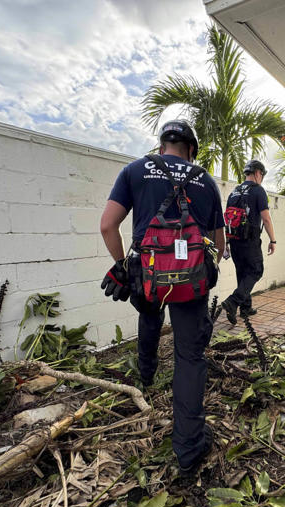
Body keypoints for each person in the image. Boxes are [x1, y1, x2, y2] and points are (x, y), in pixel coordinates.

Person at [99, 119, 225, 475]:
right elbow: (219, 242)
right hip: (191, 281)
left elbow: (108, 225)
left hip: (148, 273)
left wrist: (123, 265)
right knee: (189, 357)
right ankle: (188, 451)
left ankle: (147, 376)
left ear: (161, 147)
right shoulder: (205, 180)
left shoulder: (135, 170)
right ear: (191, 150)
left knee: (150, 318)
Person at [221, 159, 276, 324]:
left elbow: (229, 219)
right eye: (262, 175)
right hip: (250, 240)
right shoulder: (258, 191)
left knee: (242, 273)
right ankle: (233, 302)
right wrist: (273, 240)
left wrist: (227, 243)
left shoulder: (234, 192)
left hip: (235, 241)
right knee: (256, 271)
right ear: (258, 173)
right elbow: (265, 218)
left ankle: (245, 308)